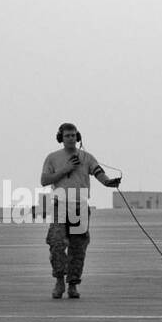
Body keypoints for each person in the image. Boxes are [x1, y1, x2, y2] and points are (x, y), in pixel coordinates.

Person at [40, 123, 120, 298]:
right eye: (67, 135)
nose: (71, 138)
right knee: (57, 243)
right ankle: (59, 280)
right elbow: (45, 180)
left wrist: (108, 182)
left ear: (78, 137)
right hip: (60, 205)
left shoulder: (87, 157)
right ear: (61, 138)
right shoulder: (53, 158)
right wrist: (65, 170)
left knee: (78, 248)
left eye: (73, 135)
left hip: (80, 207)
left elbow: (98, 172)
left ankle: (73, 284)